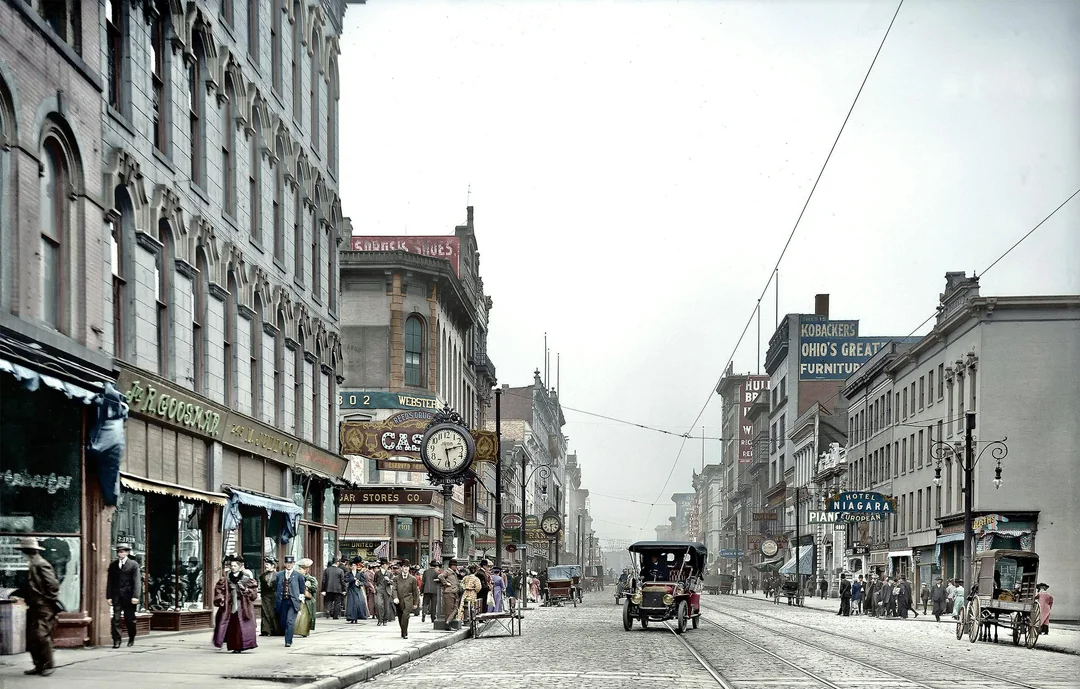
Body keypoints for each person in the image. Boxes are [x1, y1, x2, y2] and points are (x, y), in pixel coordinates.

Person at [9, 537, 61, 676]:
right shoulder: (33, 563)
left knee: (41, 635)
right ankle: (39, 665)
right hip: (34, 605)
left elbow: (53, 584)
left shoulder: (41, 564)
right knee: (32, 637)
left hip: (43, 606)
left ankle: (48, 665)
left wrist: (49, 599)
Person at [212, 555, 259, 653]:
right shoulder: (226, 577)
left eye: (235, 566)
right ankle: (233, 646)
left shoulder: (246, 577)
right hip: (230, 605)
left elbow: (253, 593)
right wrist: (221, 597)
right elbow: (219, 589)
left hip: (243, 605)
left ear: (240, 566)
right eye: (232, 566)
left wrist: (245, 590)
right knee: (231, 626)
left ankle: (241, 646)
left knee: (241, 626)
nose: (232, 567)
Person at [105, 542, 141, 649]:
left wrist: (135, 596)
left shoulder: (133, 565)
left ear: (127, 553)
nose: (119, 554)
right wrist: (109, 596)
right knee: (115, 619)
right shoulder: (113, 565)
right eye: (118, 552)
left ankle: (131, 637)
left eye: (121, 552)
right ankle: (117, 640)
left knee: (130, 619)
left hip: (129, 597)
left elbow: (136, 581)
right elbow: (110, 582)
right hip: (116, 596)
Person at [274, 556, 304, 647]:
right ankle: (287, 634)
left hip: (293, 601)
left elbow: (302, 589)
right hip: (282, 601)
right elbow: (276, 588)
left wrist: (300, 600)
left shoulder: (298, 576)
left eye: (291, 563)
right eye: (287, 563)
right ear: (284, 564)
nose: (289, 565)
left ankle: (288, 641)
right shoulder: (279, 575)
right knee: (283, 621)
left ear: (293, 564)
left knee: (290, 621)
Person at [391, 561, 420, 639]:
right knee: (400, 617)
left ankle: (405, 632)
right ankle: (403, 630)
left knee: (405, 616)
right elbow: (394, 589)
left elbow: (415, 592)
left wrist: (415, 603)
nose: (406, 568)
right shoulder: (396, 578)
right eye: (404, 566)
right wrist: (395, 597)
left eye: (407, 567)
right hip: (399, 601)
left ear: (409, 568)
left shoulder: (413, 579)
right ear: (401, 568)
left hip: (408, 600)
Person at [294, 558, 318, 637]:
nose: (299, 570)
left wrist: (307, 587)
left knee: (305, 616)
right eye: (299, 569)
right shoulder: (296, 577)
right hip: (298, 599)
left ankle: (304, 631)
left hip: (307, 600)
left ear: (306, 570)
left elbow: (314, 588)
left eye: (301, 569)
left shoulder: (310, 578)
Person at [259, 557, 279, 636]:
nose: (265, 566)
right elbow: (262, 586)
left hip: (275, 596)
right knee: (265, 612)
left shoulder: (278, 575)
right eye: (265, 564)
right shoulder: (263, 575)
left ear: (273, 565)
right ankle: (266, 630)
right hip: (265, 596)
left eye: (267, 564)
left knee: (274, 613)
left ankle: (275, 630)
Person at [437, 559, 460, 628]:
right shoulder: (447, 571)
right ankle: (447, 624)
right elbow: (440, 576)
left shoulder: (454, 573)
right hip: (449, 592)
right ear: (451, 566)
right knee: (449, 610)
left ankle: (448, 622)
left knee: (455, 609)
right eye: (455, 565)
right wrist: (446, 583)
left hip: (453, 592)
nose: (456, 567)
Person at [344, 558, 368, 622]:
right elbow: (345, 580)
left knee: (358, 604)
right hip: (351, 590)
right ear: (350, 567)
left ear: (357, 566)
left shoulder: (360, 573)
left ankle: (357, 617)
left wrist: (359, 583)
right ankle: (351, 617)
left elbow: (364, 582)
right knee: (351, 604)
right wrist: (353, 579)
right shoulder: (348, 574)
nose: (353, 567)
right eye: (352, 565)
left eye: (354, 565)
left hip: (358, 590)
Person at [374, 561, 396, 625]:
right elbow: (374, 581)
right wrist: (376, 587)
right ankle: (380, 619)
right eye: (386, 565)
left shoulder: (389, 573)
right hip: (379, 590)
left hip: (387, 590)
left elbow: (393, 582)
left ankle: (385, 620)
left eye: (387, 565)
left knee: (386, 606)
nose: (387, 566)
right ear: (382, 565)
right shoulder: (377, 573)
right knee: (378, 604)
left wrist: (389, 580)